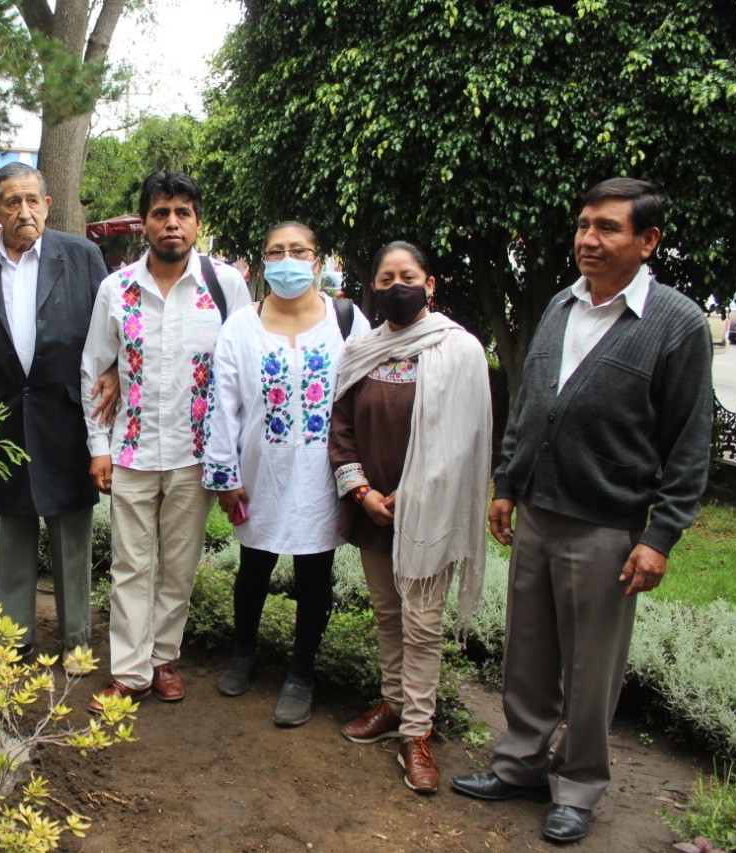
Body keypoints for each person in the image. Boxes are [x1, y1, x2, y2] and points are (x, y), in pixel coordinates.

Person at [452, 179, 712, 844]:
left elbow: (688, 442)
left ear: (648, 240)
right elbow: (534, 397)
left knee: (592, 667)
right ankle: (520, 763)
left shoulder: (675, 324)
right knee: (528, 653)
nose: (589, 239)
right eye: (585, 224)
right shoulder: (561, 305)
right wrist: (507, 481)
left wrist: (661, 534)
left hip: (605, 525)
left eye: (609, 228)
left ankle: (578, 785)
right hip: (537, 510)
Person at [81, 171, 252, 712]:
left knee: (178, 566)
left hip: (194, 458)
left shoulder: (224, 286)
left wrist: (232, 460)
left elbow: (240, 370)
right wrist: (98, 446)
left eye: (183, 212)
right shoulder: (116, 288)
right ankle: (129, 673)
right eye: (161, 212)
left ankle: (163, 660)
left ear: (197, 221)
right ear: (145, 223)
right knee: (131, 565)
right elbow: (94, 368)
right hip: (131, 451)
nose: (172, 223)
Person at [329, 241, 492, 793]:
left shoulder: (458, 350)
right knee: (387, 614)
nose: (397, 285)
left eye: (408, 275)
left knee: (423, 625)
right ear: (372, 286)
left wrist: (418, 494)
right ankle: (394, 705)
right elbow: (342, 427)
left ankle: (417, 732)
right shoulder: (362, 351)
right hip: (373, 509)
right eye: (385, 278)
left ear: (430, 284)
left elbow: (467, 443)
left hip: (432, 516)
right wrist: (363, 493)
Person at [202, 221, 369, 727]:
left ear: (317, 261)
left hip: (324, 474)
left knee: (315, 572)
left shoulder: (345, 321)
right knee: (254, 564)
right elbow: (221, 405)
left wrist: (361, 475)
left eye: (299, 251)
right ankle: (244, 652)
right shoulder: (240, 327)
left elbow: (365, 396)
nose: (288, 260)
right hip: (260, 471)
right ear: (264, 261)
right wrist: (225, 475)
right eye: (277, 251)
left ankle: (301, 674)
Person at [0, 162, 109, 665]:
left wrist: (114, 379)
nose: (25, 211)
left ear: (46, 204)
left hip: (68, 419)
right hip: (6, 420)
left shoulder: (82, 256)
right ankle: (12, 639)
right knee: (14, 532)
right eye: (12, 203)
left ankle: (76, 641)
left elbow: (112, 334)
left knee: (71, 535)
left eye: (32, 201)